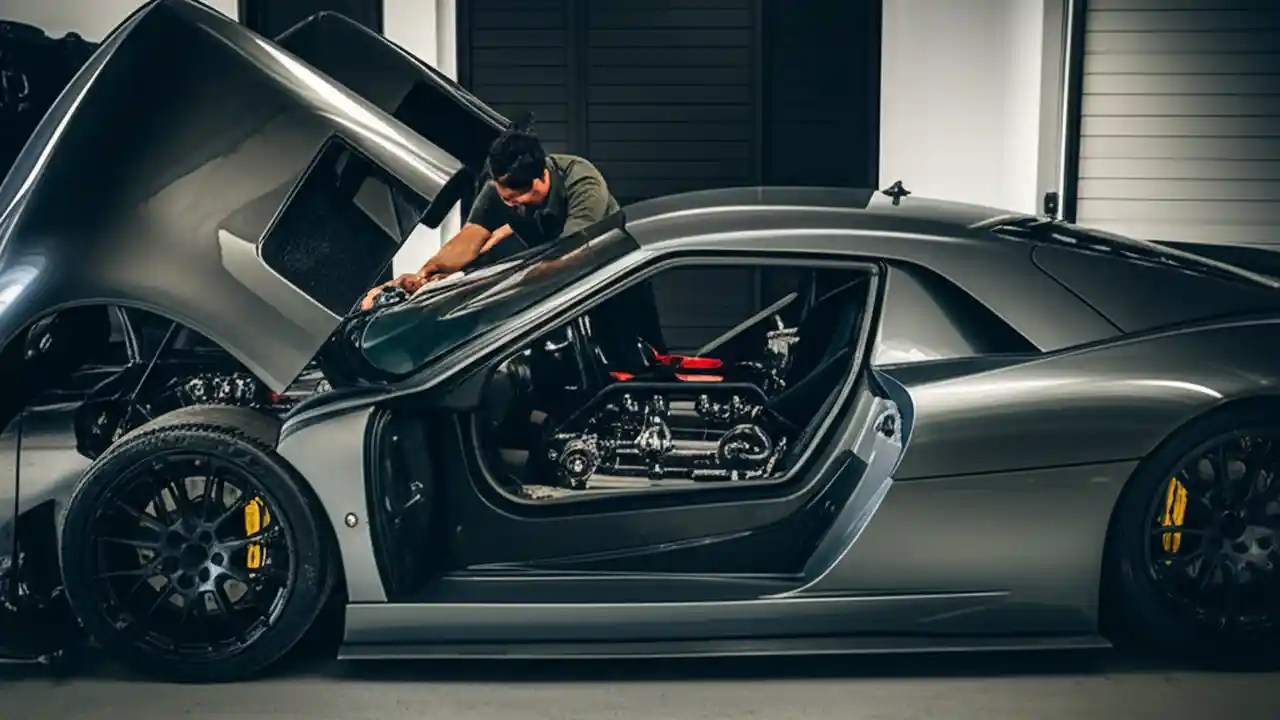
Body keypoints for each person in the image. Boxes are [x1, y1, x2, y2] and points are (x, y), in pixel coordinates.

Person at [361, 127, 619, 310]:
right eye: (505, 200)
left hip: (612, 270)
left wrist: (485, 284)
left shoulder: (583, 184)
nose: (512, 205)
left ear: (541, 177)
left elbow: (569, 256)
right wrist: (422, 278)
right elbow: (468, 240)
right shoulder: (500, 188)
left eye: (517, 198)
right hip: (550, 272)